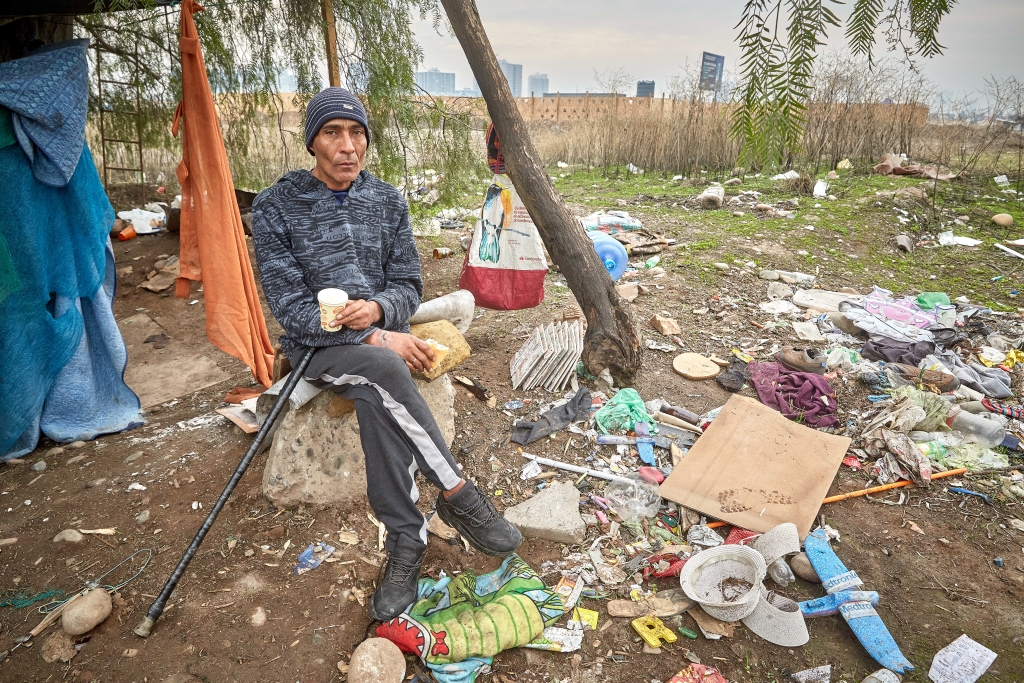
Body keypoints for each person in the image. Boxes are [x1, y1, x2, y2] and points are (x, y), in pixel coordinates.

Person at [251, 87, 521, 620]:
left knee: (379, 393)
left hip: (375, 345)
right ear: (312, 142)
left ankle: (406, 542)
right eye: (333, 132)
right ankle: (457, 490)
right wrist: (373, 337)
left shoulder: (387, 201)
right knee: (383, 362)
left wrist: (378, 312)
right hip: (317, 350)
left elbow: (408, 285)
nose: (347, 145)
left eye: (357, 133)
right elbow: (288, 306)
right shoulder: (275, 207)